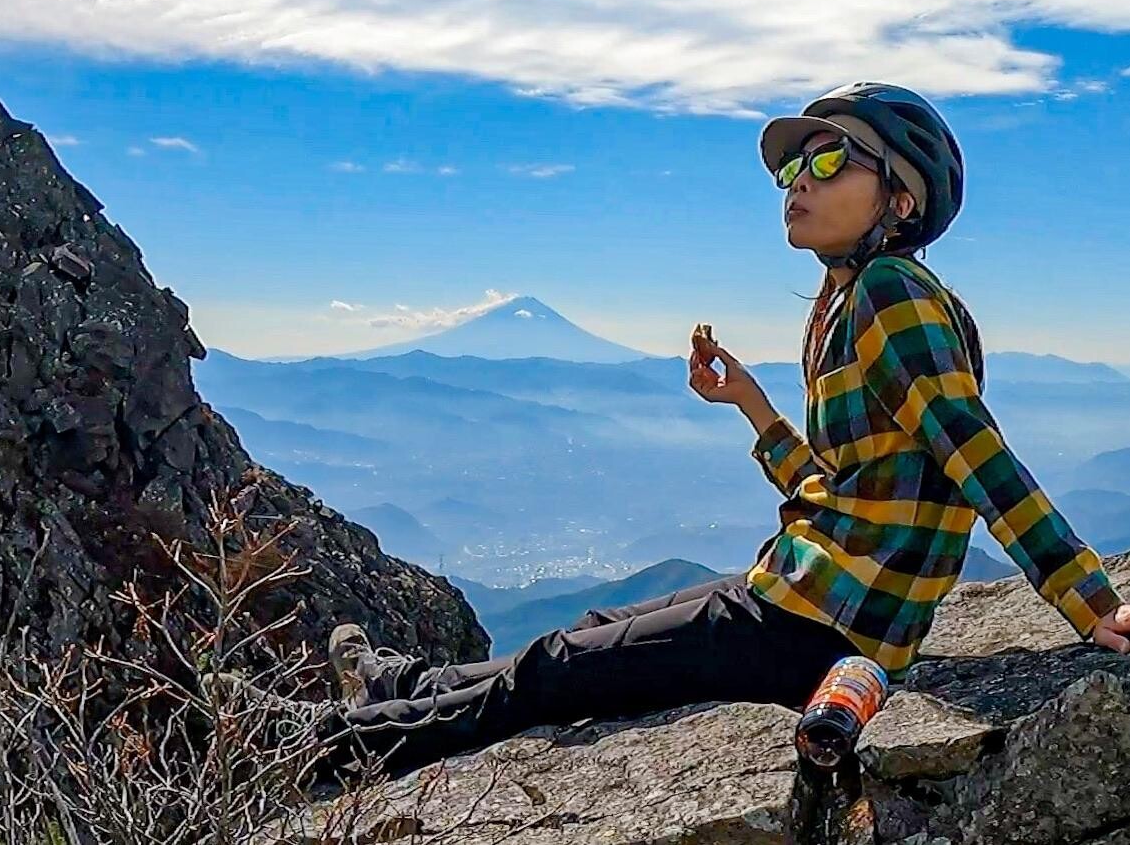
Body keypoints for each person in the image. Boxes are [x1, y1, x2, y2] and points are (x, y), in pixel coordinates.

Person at [213, 81, 1130, 782]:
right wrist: (755, 411)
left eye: (825, 162)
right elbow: (854, 491)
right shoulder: (851, 302)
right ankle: (397, 688)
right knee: (592, 636)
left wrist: (1092, 602)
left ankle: (313, 747)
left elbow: (975, 453)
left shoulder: (891, 296)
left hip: (815, 631)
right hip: (801, 600)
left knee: (563, 667)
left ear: (899, 198)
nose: (792, 184)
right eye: (787, 169)